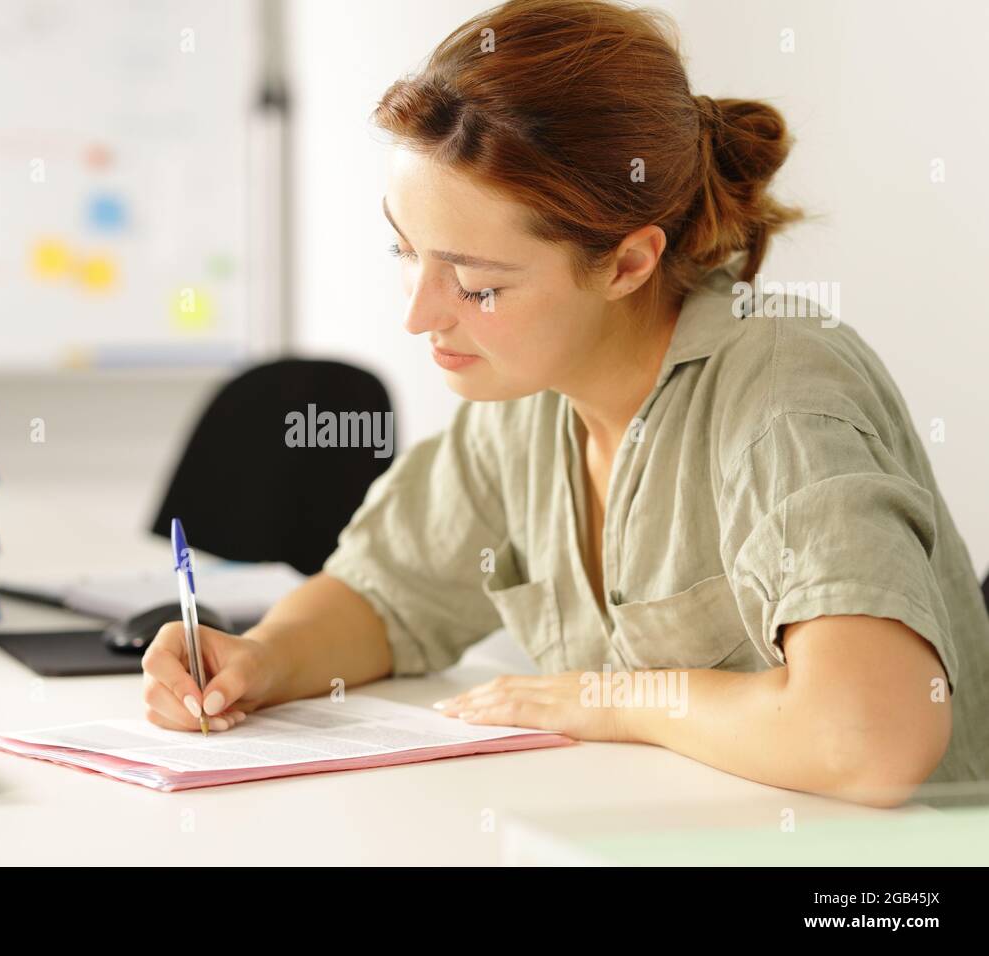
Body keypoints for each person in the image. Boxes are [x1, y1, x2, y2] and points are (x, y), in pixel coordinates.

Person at [141, 0, 989, 806]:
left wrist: (615, 700)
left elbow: (871, 739)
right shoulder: (525, 391)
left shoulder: (781, 398)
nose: (417, 314)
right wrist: (258, 658)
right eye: (405, 251)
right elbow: (387, 596)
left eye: (476, 284)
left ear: (627, 264)